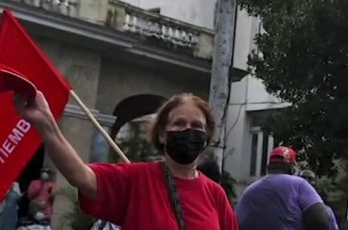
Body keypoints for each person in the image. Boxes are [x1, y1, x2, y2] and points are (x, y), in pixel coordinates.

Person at [14, 90, 238, 230]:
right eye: (179, 124)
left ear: (206, 136)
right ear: (162, 133)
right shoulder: (137, 179)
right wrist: (46, 124)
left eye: (197, 126)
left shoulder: (215, 194)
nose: (188, 131)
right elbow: (80, 176)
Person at [235, 146, 335, 230]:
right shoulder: (298, 184)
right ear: (292, 168)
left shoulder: (249, 191)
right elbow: (320, 218)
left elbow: (235, 222)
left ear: (268, 167)